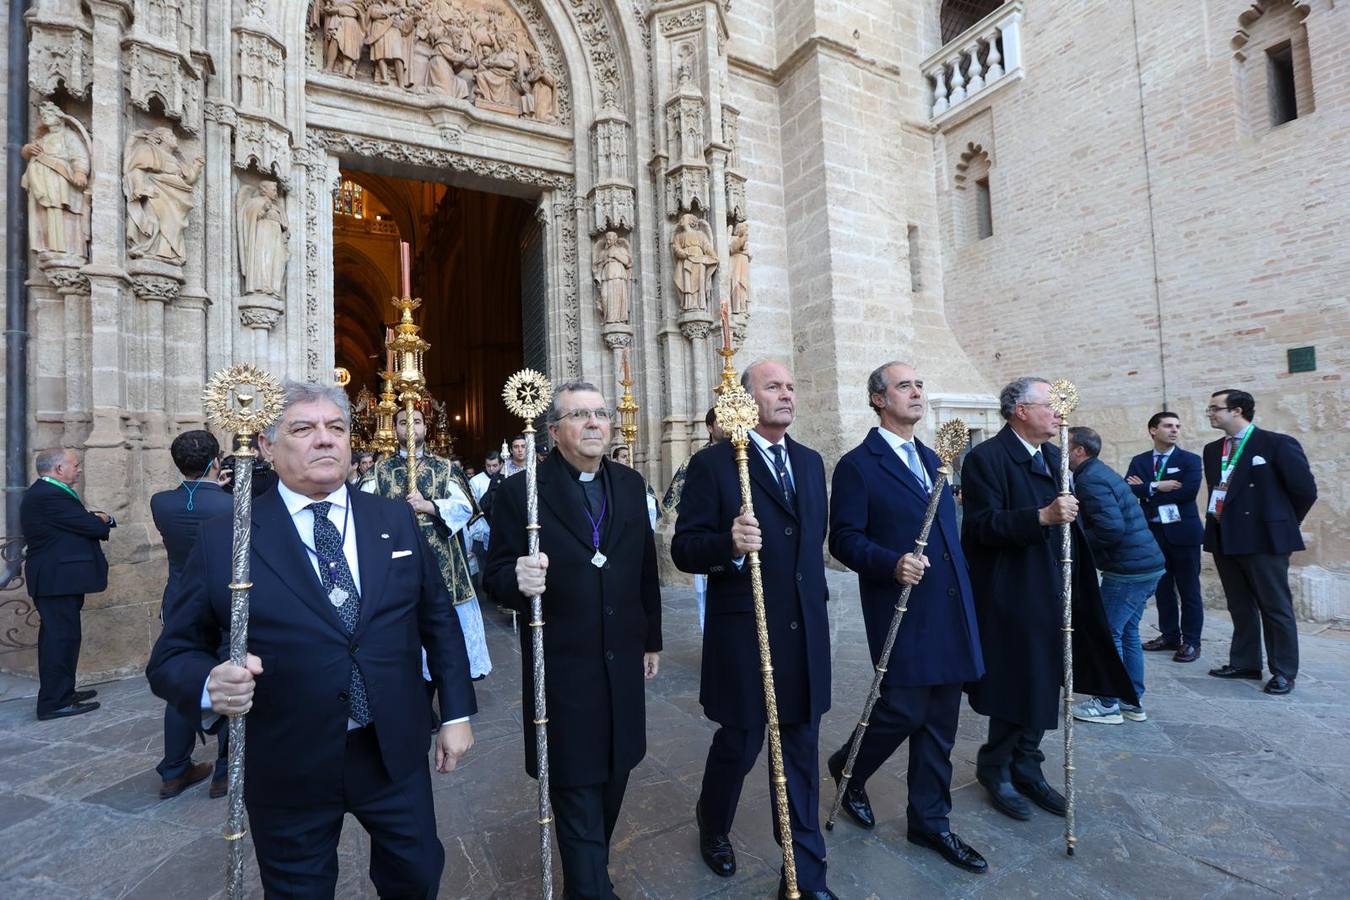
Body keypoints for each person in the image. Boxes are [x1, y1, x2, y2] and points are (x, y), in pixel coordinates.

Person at [147, 382, 477, 898]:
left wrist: (455, 713)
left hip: (391, 748)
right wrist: (210, 683)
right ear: (266, 448)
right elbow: (171, 655)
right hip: (287, 758)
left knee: (415, 876)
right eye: (303, 429)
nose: (325, 440)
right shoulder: (229, 537)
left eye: (337, 428)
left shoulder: (392, 519)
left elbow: (437, 621)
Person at [485, 380, 662, 899]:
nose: (593, 423)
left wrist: (651, 637)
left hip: (623, 656)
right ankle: (589, 887)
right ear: (554, 430)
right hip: (563, 663)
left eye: (600, 413)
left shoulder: (630, 485)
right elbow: (495, 571)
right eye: (579, 415)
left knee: (615, 772)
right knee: (574, 779)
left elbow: (644, 567)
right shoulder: (522, 492)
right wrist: (517, 578)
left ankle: (588, 872)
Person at [672, 360, 836, 900]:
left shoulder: (810, 463)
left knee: (801, 757)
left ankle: (804, 875)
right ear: (746, 400)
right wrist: (729, 545)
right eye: (773, 387)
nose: (786, 394)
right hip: (748, 634)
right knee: (740, 745)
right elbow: (685, 549)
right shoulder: (715, 464)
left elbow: (809, 546)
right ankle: (713, 821)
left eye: (791, 386)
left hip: (803, 633)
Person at [826, 362, 987, 873]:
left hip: (949, 606)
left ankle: (930, 823)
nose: (917, 393)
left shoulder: (936, 458)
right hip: (902, 606)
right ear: (878, 400)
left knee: (941, 719)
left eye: (919, 385)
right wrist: (890, 563)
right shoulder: (859, 464)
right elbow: (844, 540)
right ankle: (848, 768)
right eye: (904, 386)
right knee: (902, 708)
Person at [961, 377, 1136, 823]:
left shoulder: (1057, 456)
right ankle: (995, 766)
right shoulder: (987, 458)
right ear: (1020, 410)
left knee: (1049, 678)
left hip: (1058, 586)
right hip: (1015, 591)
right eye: (1050, 405)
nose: (1060, 413)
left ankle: (1028, 764)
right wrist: (1040, 516)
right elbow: (980, 526)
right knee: (1018, 681)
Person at [1202, 389, 1317, 695]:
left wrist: (1282, 523)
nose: (1210, 413)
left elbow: (1304, 490)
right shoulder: (1213, 450)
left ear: (1237, 411)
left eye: (1215, 408)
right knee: (1239, 605)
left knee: (1275, 606)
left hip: (1264, 538)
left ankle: (1283, 671)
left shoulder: (1276, 443)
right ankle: (1245, 661)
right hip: (1224, 535)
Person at [363, 408, 492, 680]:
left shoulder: (444, 468)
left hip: (445, 561)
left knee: (448, 644)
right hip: (396, 564)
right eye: (403, 422)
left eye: (417, 421)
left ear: (426, 427)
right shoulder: (380, 470)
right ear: (394, 428)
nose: (410, 427)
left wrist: (429, 506)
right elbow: (363, 511)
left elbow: (465, 507)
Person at [149, 431, 232, 799]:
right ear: (216, 461)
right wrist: (225, 488)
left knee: (184, 681)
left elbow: (189, 508)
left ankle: (174, 769)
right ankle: (225, 771)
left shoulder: (160, 503)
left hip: (179, 603)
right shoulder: (230, 505)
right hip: (222, 605)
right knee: (232, 679)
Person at [1066, 426, 1166, 724]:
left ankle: (1108, 703)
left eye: (1066, 446)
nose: (1061, 452)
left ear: (1079, 451)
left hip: (1128, 570)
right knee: (1127, 631)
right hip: (1145, 564)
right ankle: (1131, 700)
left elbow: (1111, 528)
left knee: (1107, 634)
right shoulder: (1097, 472)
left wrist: (1082, 547)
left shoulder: (1090, 479)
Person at [20, 448, 113, 720]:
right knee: (60, 641)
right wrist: (103, 519)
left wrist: (95, 520)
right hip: (55, 581)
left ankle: (63, 692)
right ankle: (54, 702)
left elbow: (81, 522)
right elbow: (93, 527)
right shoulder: (49, 495)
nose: (80, 469)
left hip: (59, 581)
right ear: (58, 469)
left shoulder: (49, 493)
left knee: (63, 639)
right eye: (75, 464)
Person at [1126, 412, 1205, 662]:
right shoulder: (1139, 461)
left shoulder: (1190, 460)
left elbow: (1188, 492)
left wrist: (1146, 490)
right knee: (1162, 587)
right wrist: (1157, 486)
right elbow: (1128, 488)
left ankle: (1191, 641)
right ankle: (1169, 635)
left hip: (1183, 533)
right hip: (1154, 533)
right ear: (1153, 430)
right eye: (1168, 426)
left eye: (1177, 426)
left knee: (1188, 588)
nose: (1174, 430)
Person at [663, 407, 725, 632]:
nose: (726, 424)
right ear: (709, 427)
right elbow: (672, 498)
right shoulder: (698, 460)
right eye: (721, 421)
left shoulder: (745, 454)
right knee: (709, 601)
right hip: (709, 538)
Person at [610, 445, 660, 529]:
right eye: (624, 457)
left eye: (630, 456)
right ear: (614, 460)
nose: (628, 460)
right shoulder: (608, 478)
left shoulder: (638, 479)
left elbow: (651, 507)